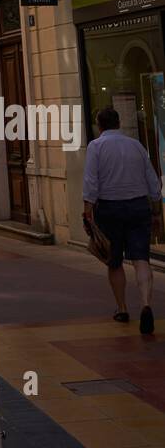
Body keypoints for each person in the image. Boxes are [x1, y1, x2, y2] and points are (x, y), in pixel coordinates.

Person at [83, 105, 161, 334]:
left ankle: (122, 308)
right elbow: (152, 180)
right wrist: (155, 207)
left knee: (114, 261)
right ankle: (146, 304)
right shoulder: (136, 145)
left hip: (110, 209)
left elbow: (91, 182)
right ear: (119, 123)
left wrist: (87, 211)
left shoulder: (96, 146)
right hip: (138, 206)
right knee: (141, 259)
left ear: (100, 125)